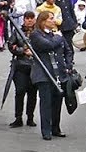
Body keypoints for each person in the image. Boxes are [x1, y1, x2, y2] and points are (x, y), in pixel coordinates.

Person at [29, 12, 71, 141]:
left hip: (58, 73)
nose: (54, 21)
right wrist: (58, 37)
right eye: (51, 19)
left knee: (57, 101)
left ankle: (55, 127)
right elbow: (48, 45)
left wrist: (68, 65)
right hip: (44, 74)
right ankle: (46, 130)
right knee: (46, 103)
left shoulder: (55, 34)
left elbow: (67, 50)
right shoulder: (36, 34)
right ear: (43, 21)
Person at [6, 12, 38, 128]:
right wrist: (23, 50)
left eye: (31, 18)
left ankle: (30, 117)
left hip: (35, 66)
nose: (29, 21)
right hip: (20, 65)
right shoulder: (17, 32)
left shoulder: (38, 32)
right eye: (27, 18)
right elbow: (11, 46)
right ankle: (18, 117)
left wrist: (33, 52)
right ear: (24, 19)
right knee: (20, 92)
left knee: (32, 93)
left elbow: (42, 46)